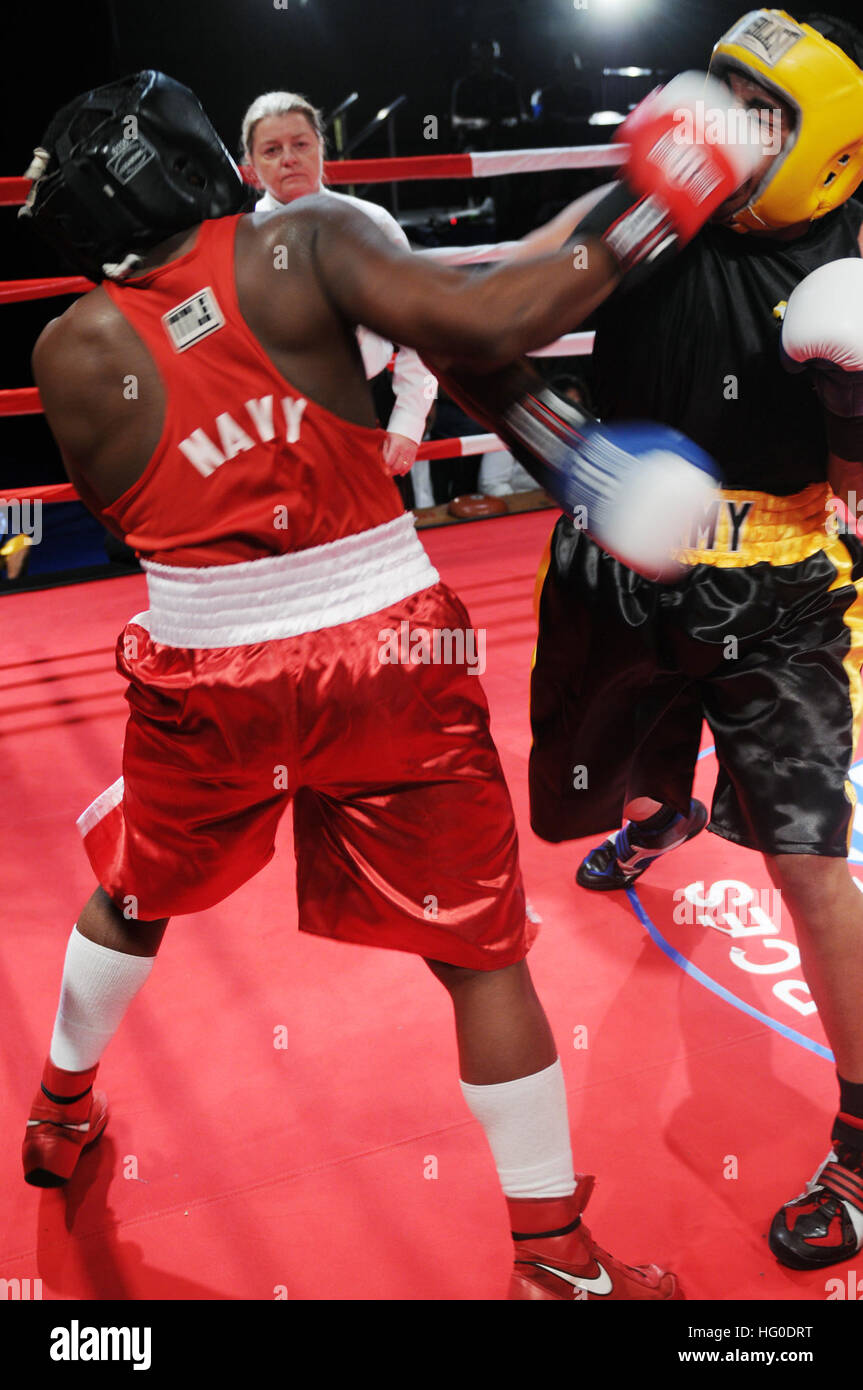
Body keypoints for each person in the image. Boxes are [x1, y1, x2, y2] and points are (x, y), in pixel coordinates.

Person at [17, 68, 749, 1299]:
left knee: (139, 891)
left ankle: (56, 1111)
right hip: (385, 648)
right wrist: (663, 193)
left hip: (203, 666)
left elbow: (137, 509)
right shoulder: (302, 238)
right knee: (477, 954)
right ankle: (553, 1263)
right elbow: (502, 315)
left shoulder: (65, 349)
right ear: (197, 157)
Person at [510, 9, 863, 1273]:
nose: (713, 124)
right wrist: (567, 457)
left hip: (779, 587)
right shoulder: (641, 210)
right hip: (619, 557)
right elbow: (483, 327)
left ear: (819, 143)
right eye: (710, 91)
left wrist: (852, 422)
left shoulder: (849, 264)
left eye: (753, 113)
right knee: (614, 763)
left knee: (806, 863)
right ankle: (662, 813)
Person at [240, 90, 436, 508]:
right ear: (251, 167)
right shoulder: (237, 243)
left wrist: (408, 420)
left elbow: (420, 326)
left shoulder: (371, 222)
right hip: (278, 420)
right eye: (272, 150)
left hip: (370, 408)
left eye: (300, 145)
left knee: (387, 554)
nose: (288, 158)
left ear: (321, 149)